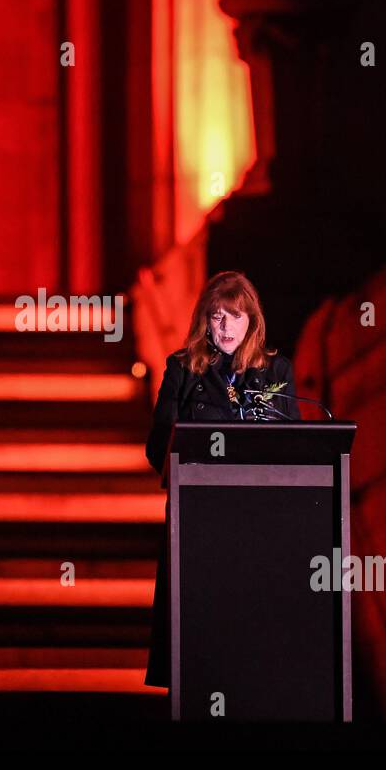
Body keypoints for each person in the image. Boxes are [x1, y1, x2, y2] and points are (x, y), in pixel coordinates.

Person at [142, 271, 301, 690]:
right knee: (200, 636)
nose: (226, 327)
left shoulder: (275, 370)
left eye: (235, 316)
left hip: (256, 522)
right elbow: (158, 446)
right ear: (204, 320)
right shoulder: (182, 368)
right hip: (198, 521)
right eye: (217, 317)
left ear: (252, 320)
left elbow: (295, 448)